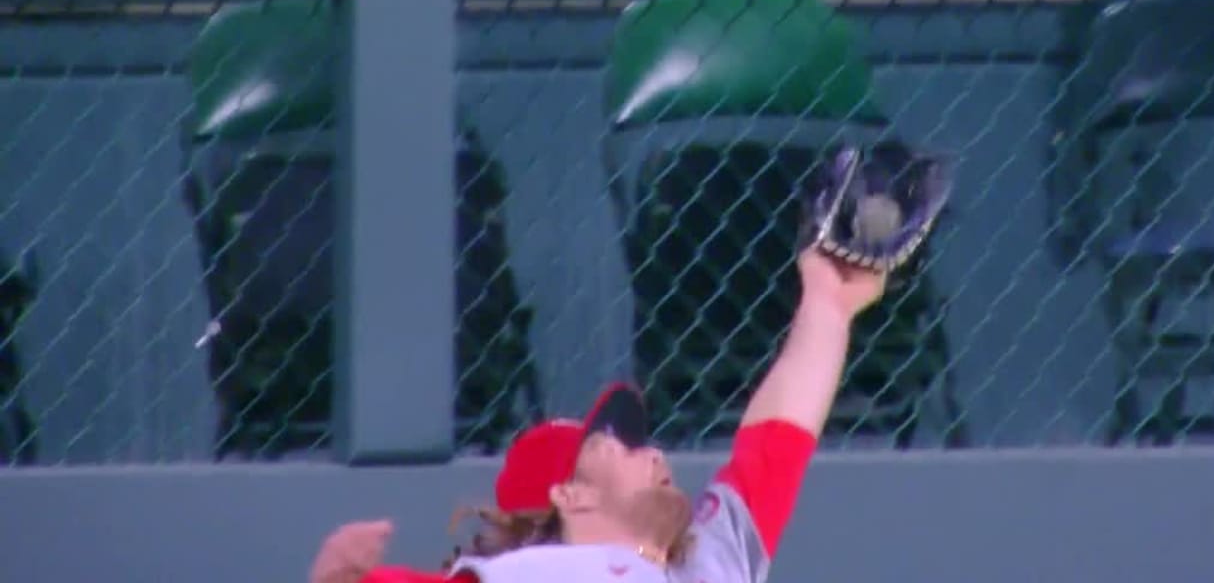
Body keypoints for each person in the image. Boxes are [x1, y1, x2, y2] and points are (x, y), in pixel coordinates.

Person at [309, 246, 887, 583]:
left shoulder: (712, 563)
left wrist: (827, 304)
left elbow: (776, 441)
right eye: (623, 446)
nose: (657, 452)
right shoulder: (527, 575)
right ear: (570, 496)